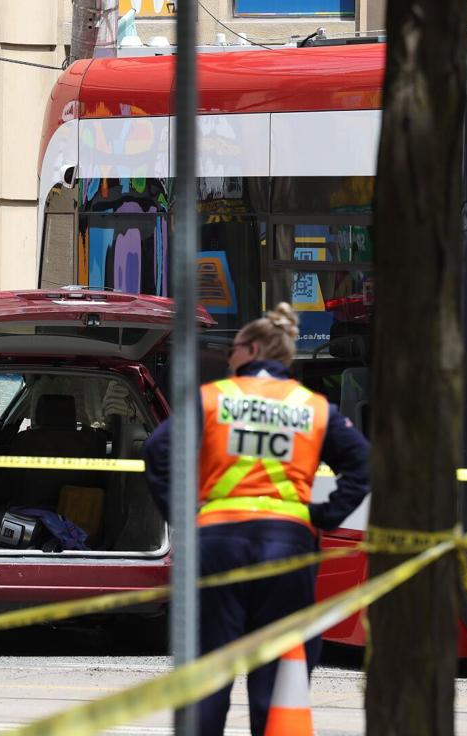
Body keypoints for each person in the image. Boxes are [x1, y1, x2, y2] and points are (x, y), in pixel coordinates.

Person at [143, 303, 371, 736]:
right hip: (286, 549)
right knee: (280, 679)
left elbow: (157, 452)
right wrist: (324, 515)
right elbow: (362, 462)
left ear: (250, 349)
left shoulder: (214, 398)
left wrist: (184, 520)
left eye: (233, 350)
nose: (228, 359)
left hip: (218, 545)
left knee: (209, 673)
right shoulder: (312, 407)